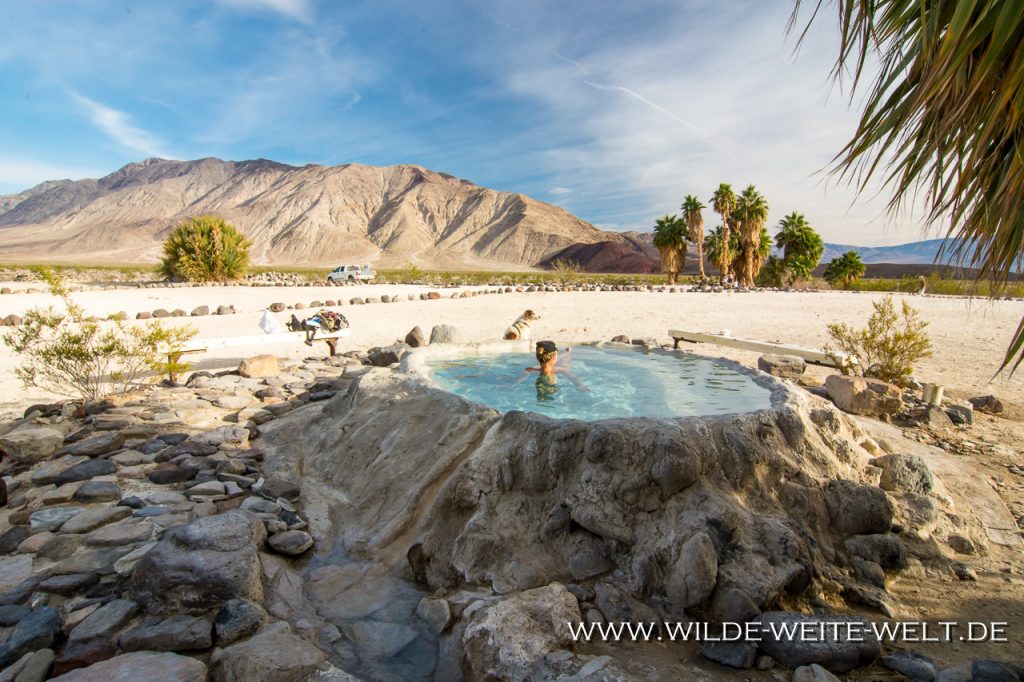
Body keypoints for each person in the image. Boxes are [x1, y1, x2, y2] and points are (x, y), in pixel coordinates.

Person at [520, 341, 588, 396]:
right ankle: (566, 352)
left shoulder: (529, 370)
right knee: (563, 363)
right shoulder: (561, 370)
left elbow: (519, 379)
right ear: (554, 357)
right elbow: (573, 378)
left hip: (552, 363)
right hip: (555, 364)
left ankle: (566, 352)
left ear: (537, 356)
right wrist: (579, 385)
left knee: (564, 360)